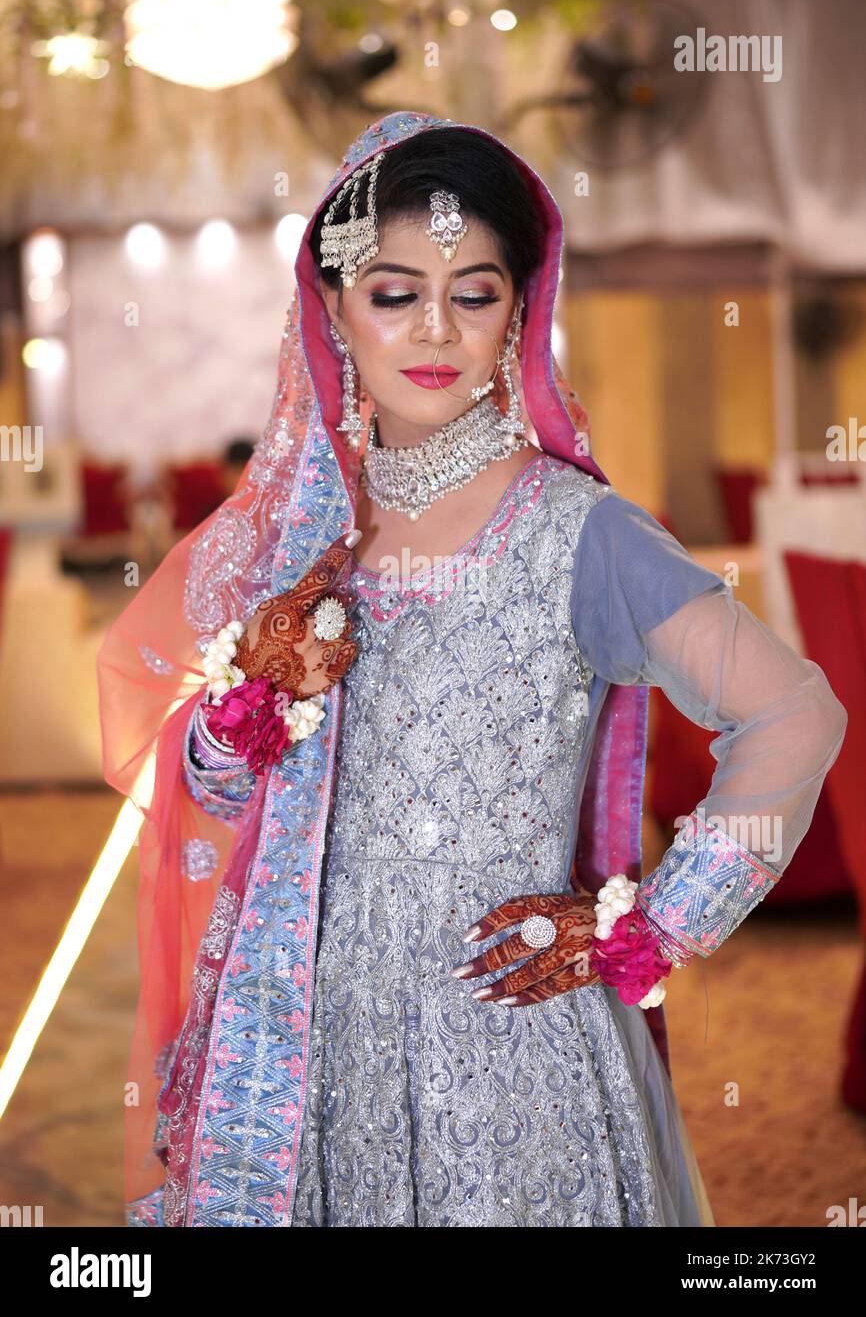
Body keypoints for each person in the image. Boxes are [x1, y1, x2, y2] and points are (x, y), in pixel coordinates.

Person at [98, 111, 847, 1229]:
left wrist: (657, 921)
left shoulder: (574, 529)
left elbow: (793, 709)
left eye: (476, 291)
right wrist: (245, 705)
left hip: (502, 1029)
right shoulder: (290, 541)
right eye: (395, 293)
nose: (435, 328)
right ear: (335, 313)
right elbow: (203, 795)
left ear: (519, 312)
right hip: (300, 1032)